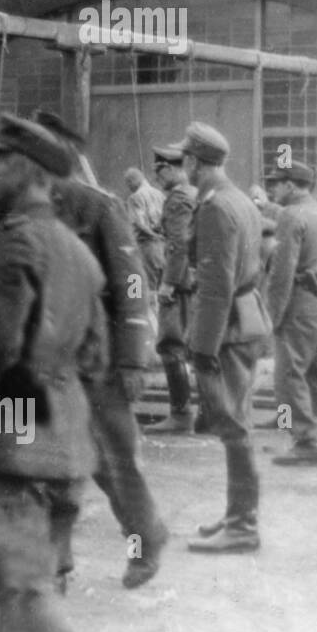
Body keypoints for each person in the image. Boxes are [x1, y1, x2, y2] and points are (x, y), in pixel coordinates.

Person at [0, 115, 108, 632]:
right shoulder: (81, 254)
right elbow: (95, 356)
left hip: (17, 450)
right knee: (33, 590)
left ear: (24, 171)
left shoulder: (17, 239)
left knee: (24, 593)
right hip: (67, 447)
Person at [31, 109, 166, 589]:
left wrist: (133, 359)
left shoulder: (99, 208)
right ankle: (56, 562)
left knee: (113, 464)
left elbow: (133, 287)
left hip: (102, 363)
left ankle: (145, 540)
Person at [179, 122, 266, 554]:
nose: (184, 167)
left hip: (227, 329)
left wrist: (202, 349)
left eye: (185, 160)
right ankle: (237, 515)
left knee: (233, 427)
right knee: (239, 423)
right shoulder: (240, 201)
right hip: (245, 320)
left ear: (195, 162)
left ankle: (243, 525)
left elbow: (215, 288)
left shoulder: (215, 207)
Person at [262, 161, 317, 466]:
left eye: (277, 183)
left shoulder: (292, 216)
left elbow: (282, 274)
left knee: (288, 375)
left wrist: (271, 317)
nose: (273, 189)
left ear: (291, 186)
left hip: (298, 305)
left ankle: (304, 441)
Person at [148, 144, 199, 433]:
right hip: (192, 282)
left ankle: (180, 415)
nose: (157, 177)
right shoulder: (193, 193)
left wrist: (167, 283)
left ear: (171, 168)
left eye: (160, 170)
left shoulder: (178, 198)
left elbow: (178, 245)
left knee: (170, 345)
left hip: (177, 285)